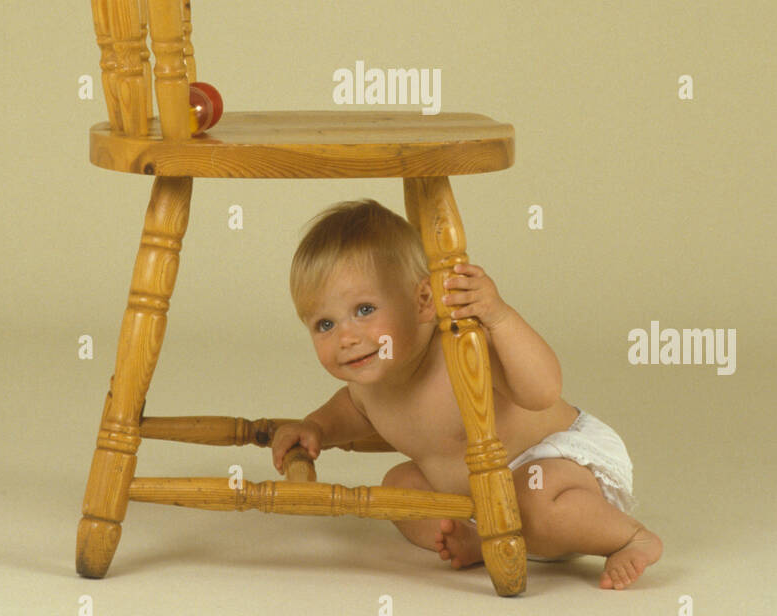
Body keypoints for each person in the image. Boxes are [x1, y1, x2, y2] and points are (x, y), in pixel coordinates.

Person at [272, 200, 662, 590]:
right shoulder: (367, 387)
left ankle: (629, 537)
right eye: (325, 323)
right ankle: (480, 539)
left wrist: (500, 317)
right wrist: (316, 428)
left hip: (556, 465)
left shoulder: (460, 348)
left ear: (423, 301)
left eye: (365, 309)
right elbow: (349, 411)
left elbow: (543, 390)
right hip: (481, 499)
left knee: (531, 499)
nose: (346, 337)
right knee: (397, 489)